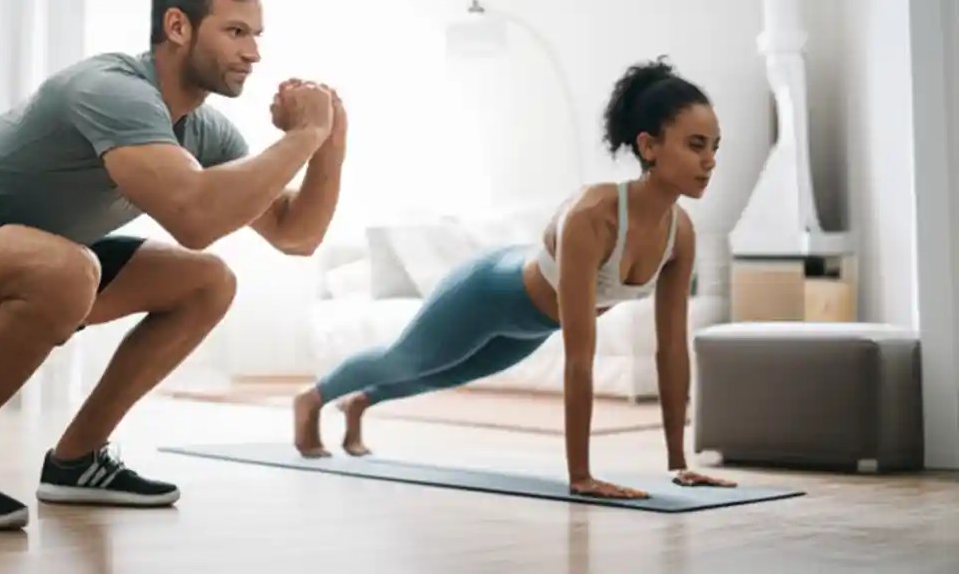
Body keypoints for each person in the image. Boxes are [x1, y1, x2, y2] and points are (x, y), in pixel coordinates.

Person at [0, 0, 347, 530]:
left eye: (257, 34)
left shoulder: (202, 127)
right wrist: (306, 134)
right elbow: (195, 218)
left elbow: (297, 235)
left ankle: (77, 461)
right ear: (177, 26)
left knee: (207, 282)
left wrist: (329, 141)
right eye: (236, 31)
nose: (254, 53)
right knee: (71, 268)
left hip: (39, 254)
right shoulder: (111, 88)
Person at [292, 57, 735, 500]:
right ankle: (312, 400)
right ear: (649, 146)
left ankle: (360, 401)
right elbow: (579, 358)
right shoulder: (593, 216)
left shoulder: (681, 233)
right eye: (696, 145)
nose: (710, 161)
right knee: (407, 360)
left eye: (715, 147)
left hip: (533, 323)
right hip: (486, 292)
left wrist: (679, 466)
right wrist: (581, 476)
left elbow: (672, 349)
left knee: (445, 372)